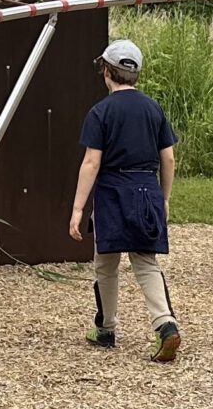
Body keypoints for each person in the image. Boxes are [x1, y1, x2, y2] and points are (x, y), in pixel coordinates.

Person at [68, 37, 182, 363]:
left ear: (106, 71)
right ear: (137, 74)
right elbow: (169, 158)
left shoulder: (100, 112)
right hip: (147, 188)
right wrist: (164, 197)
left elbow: (91, 163)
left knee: (106, 263)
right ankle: (165, 324)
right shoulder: (153, 108)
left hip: (112, 191)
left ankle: (105, 328)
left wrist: (78, 210)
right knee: (146, 262)